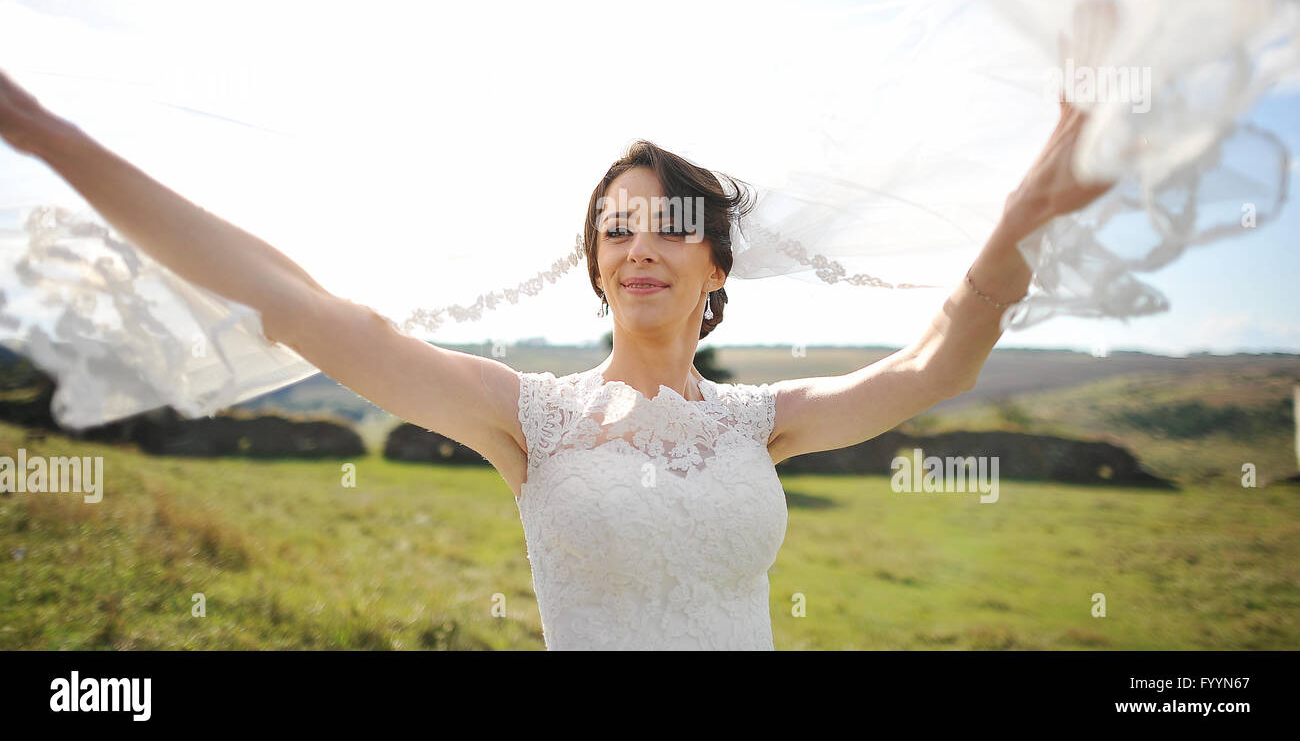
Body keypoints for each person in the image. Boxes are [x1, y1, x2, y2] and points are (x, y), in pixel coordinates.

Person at [0, 64, 1115, 649]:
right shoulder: (527, 415)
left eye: (669, 223)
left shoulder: (758, 421)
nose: (639, 244)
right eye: (614, 227)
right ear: (591, 265)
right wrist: (46, 132)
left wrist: (1021, 217)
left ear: (717, 267)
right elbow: (290, 300)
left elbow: (939, 361)